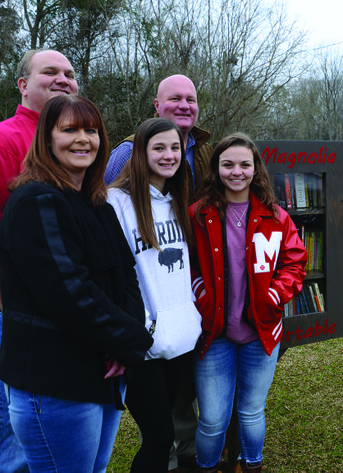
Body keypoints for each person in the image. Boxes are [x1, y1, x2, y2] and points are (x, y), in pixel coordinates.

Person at [0, 95, 153, 470]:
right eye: (69, 130)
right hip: (55, 383)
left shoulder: (95, 202)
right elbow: (68, 291)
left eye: (91, 130)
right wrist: (128, 342)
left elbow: (126, 274)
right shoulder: (36, 201)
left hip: (102, 373)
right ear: (46, 139)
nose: (83, 139)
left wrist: (121, 346)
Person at [0, 49, 78, 472]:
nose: (63, 79)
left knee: (40, 428)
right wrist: (12, 304)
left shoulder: (70, 145)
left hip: (54, 311)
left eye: (70, 74)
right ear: (23, 85)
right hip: (9, 310)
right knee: (8, 441)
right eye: (50, 72)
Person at [105, 73, 212, 471]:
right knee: (157, 437)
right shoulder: (118, 194)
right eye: (159, 148)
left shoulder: (182, 190)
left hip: (182, 328)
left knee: (176, 415)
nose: (169, 155)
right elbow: (111, 265)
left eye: (191, 98)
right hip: (142, 333)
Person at [189, 133, 307, 473]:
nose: (236, 171)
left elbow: (295, 263)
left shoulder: (276, 217)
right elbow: (188, 263)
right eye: (228, 164)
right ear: (216, 169)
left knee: (252, 410)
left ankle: (251, 466)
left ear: (256, 170)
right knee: (212, 418)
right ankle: (208, 466)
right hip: (214, 333)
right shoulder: (199, 214)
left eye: (244, 164)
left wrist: (274, 295)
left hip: (261, 331)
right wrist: (201, 292)